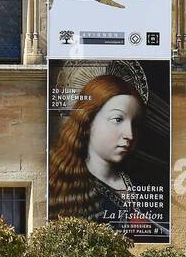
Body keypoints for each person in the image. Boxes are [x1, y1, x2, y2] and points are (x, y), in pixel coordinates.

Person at [49, 72, 154, 231]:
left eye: (135, 123)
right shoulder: (64, 186)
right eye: (117, 119)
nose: (130, 135)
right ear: (88, 121)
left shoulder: (142, 183)